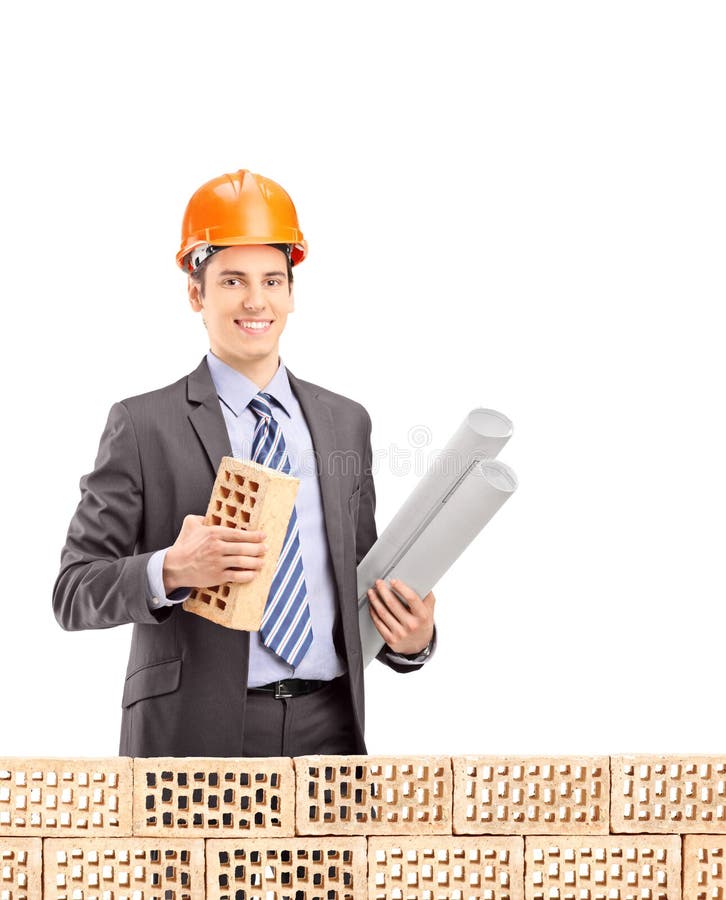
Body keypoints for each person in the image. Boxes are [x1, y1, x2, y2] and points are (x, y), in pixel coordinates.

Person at [53, 169, 436, 758]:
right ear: (195, 293)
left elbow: (361, 582)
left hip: (330, 728)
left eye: (272, 281)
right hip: (193, 732)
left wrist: (412, 640)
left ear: (290, 294)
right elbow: (73, 590)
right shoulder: (142, 425)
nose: (256, 301)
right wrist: (171, 570)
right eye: (233, 280)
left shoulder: (345, 422)